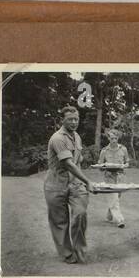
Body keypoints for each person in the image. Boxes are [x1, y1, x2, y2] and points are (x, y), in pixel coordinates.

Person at [43, 106, 99, 264]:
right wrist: (88, 180)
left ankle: (80, 251)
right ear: (63, 120)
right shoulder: (57, 138)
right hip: (55, 184)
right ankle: (67, 253)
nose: (74, 122)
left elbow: (76, 159)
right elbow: (68, 164)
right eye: (70, 119)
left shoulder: (77, 137)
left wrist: (80, 164)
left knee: (80, 213)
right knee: (59, 221)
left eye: (76, 119)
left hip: (75, 183)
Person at [98, 128, 130, 228]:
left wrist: (125, 165)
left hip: (120, 176)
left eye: (116, 138)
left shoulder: (123, 149)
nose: (114, 140)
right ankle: (119, 220)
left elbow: (127, 162)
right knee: (114, 197)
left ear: (118, 138)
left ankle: (109, 215)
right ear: (108, 139)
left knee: (116, 198)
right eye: (112, 138)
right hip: (109, 176)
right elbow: (100, 166)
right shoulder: (104, 151)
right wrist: (104, 166)